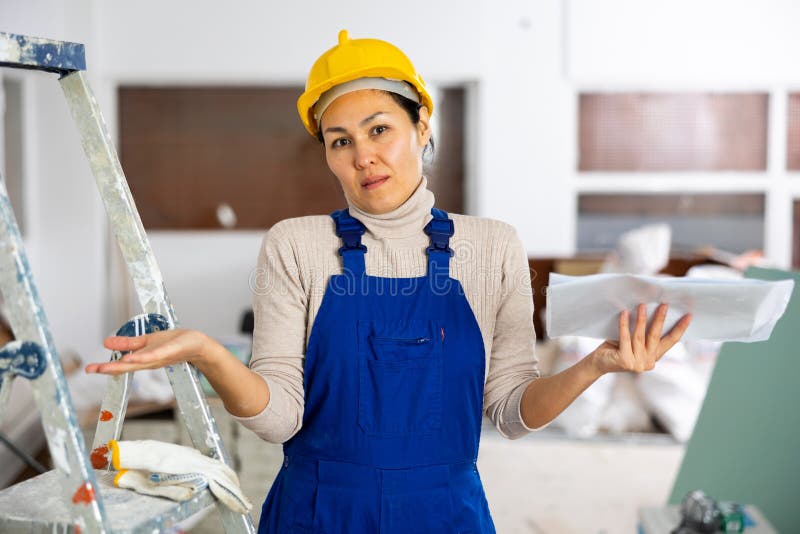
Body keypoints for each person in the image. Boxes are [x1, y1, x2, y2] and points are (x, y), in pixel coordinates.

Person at [86, 30, 692, 533]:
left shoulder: (492, 246)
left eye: (380, 130)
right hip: (319, 512)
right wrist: (209, 354)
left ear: (422, 126)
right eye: (339, 140)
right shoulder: (296, 245)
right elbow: (278, 420)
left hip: (445, 514)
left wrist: (596, 365)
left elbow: (508, 411)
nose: (363, 156)